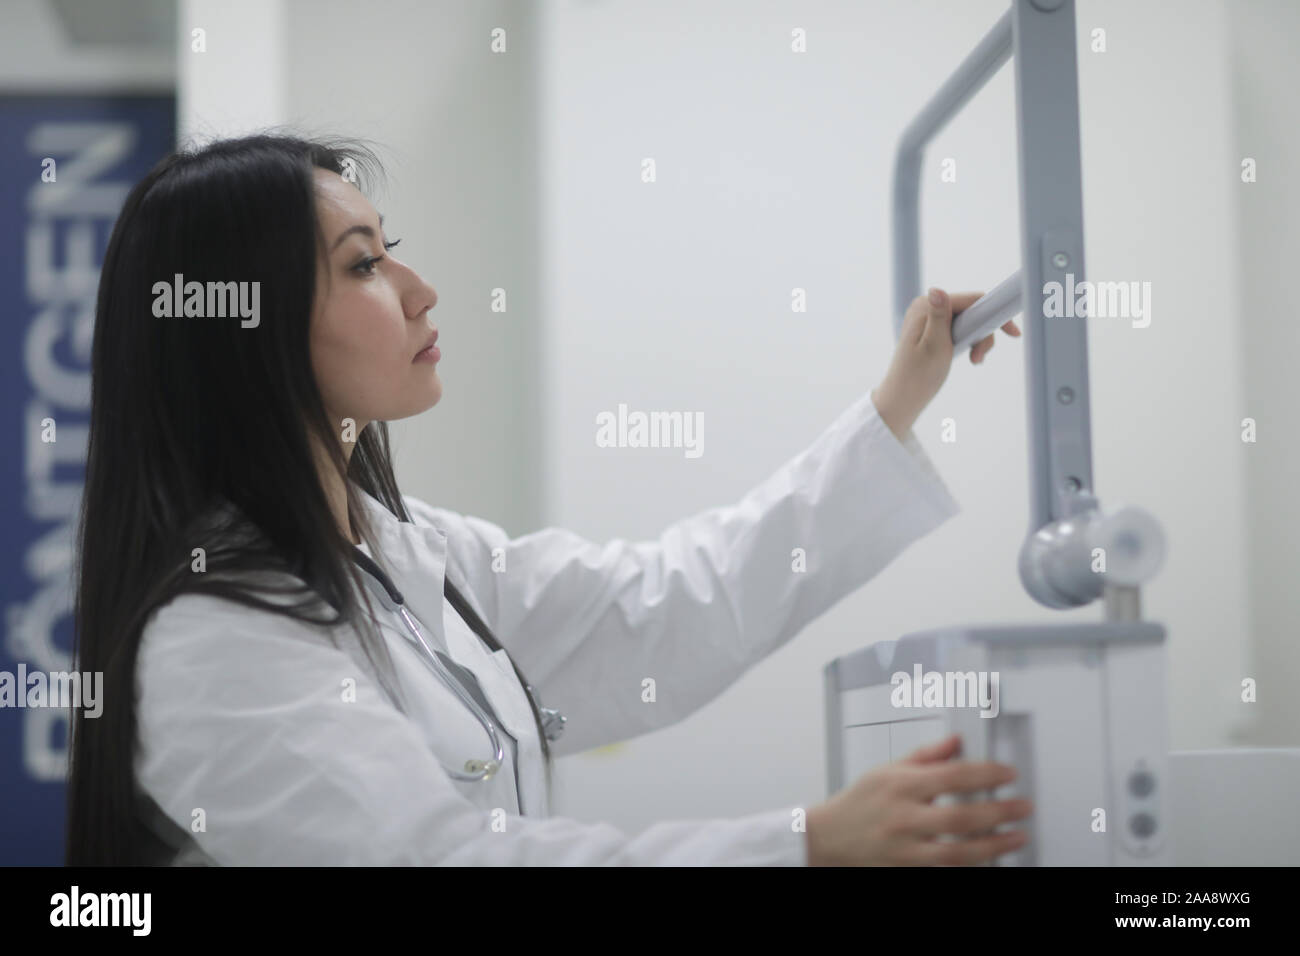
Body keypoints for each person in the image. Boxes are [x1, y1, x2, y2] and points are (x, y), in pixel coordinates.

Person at [65, 133, 1027, 866]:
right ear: (246, 331)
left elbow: (667, 612)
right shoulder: (216, 641)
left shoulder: (414, 562)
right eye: (363, 265)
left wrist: (897, 403)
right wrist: (803, 843)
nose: (419, 289)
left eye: (388, 249)